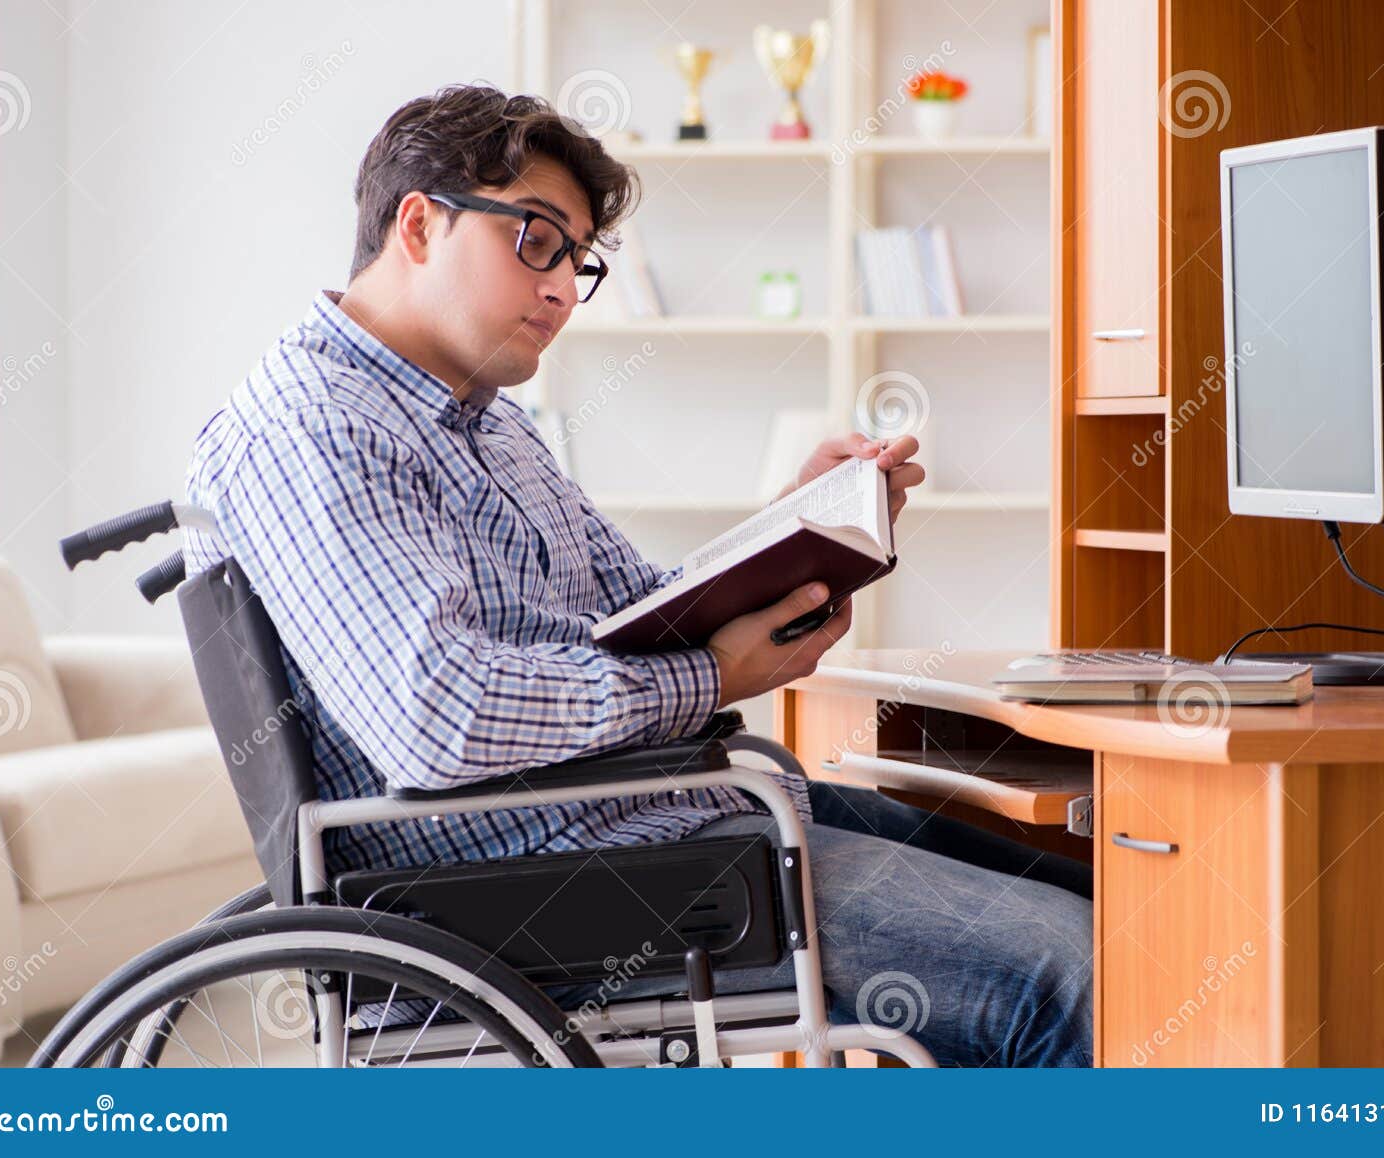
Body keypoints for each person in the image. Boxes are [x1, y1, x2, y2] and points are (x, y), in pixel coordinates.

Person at [184, 84, 1091, 1066]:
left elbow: (635, 605)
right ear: (418, 225)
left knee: (1092, 889)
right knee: (1072, 970)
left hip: (659, 824)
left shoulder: (487, 423)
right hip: (536, 887)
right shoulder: (310, 431)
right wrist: (714, 677)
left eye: (576, 260)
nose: (561, 289)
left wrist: (796, 526)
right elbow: (439, 716)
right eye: (536, 240)